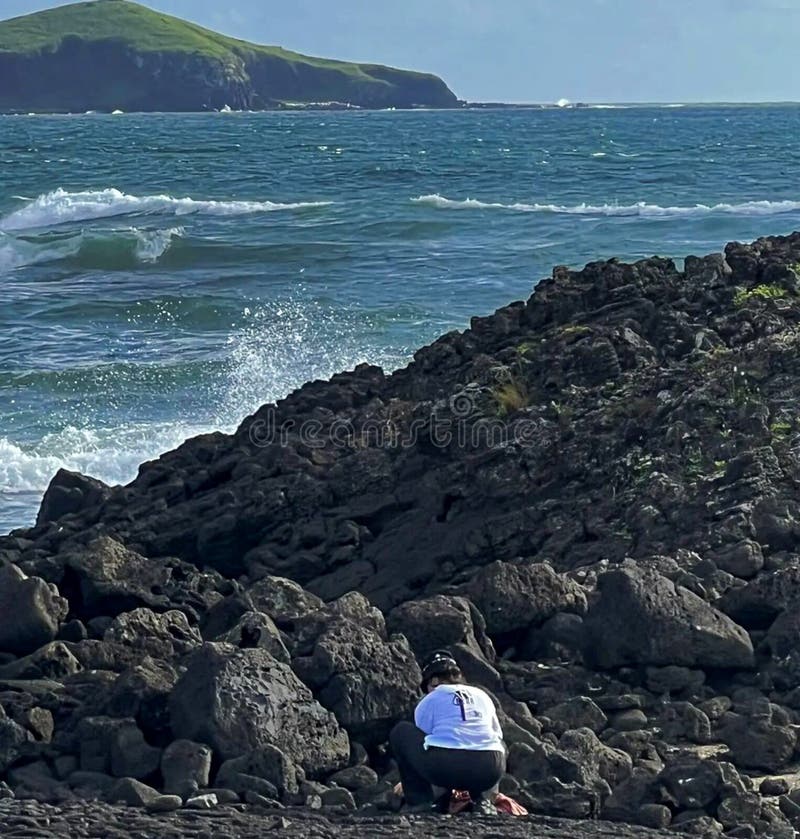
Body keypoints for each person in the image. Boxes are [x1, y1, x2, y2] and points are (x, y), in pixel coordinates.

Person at [389, 649, 506, 815]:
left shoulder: (429, 700)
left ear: (434, 680)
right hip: (489, 770)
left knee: (402, 731)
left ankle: (419, 802)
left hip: (446, 767)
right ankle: (484, 800)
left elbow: (428, 741)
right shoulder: (482, 695)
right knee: (496, 743)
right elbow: (497, 734)